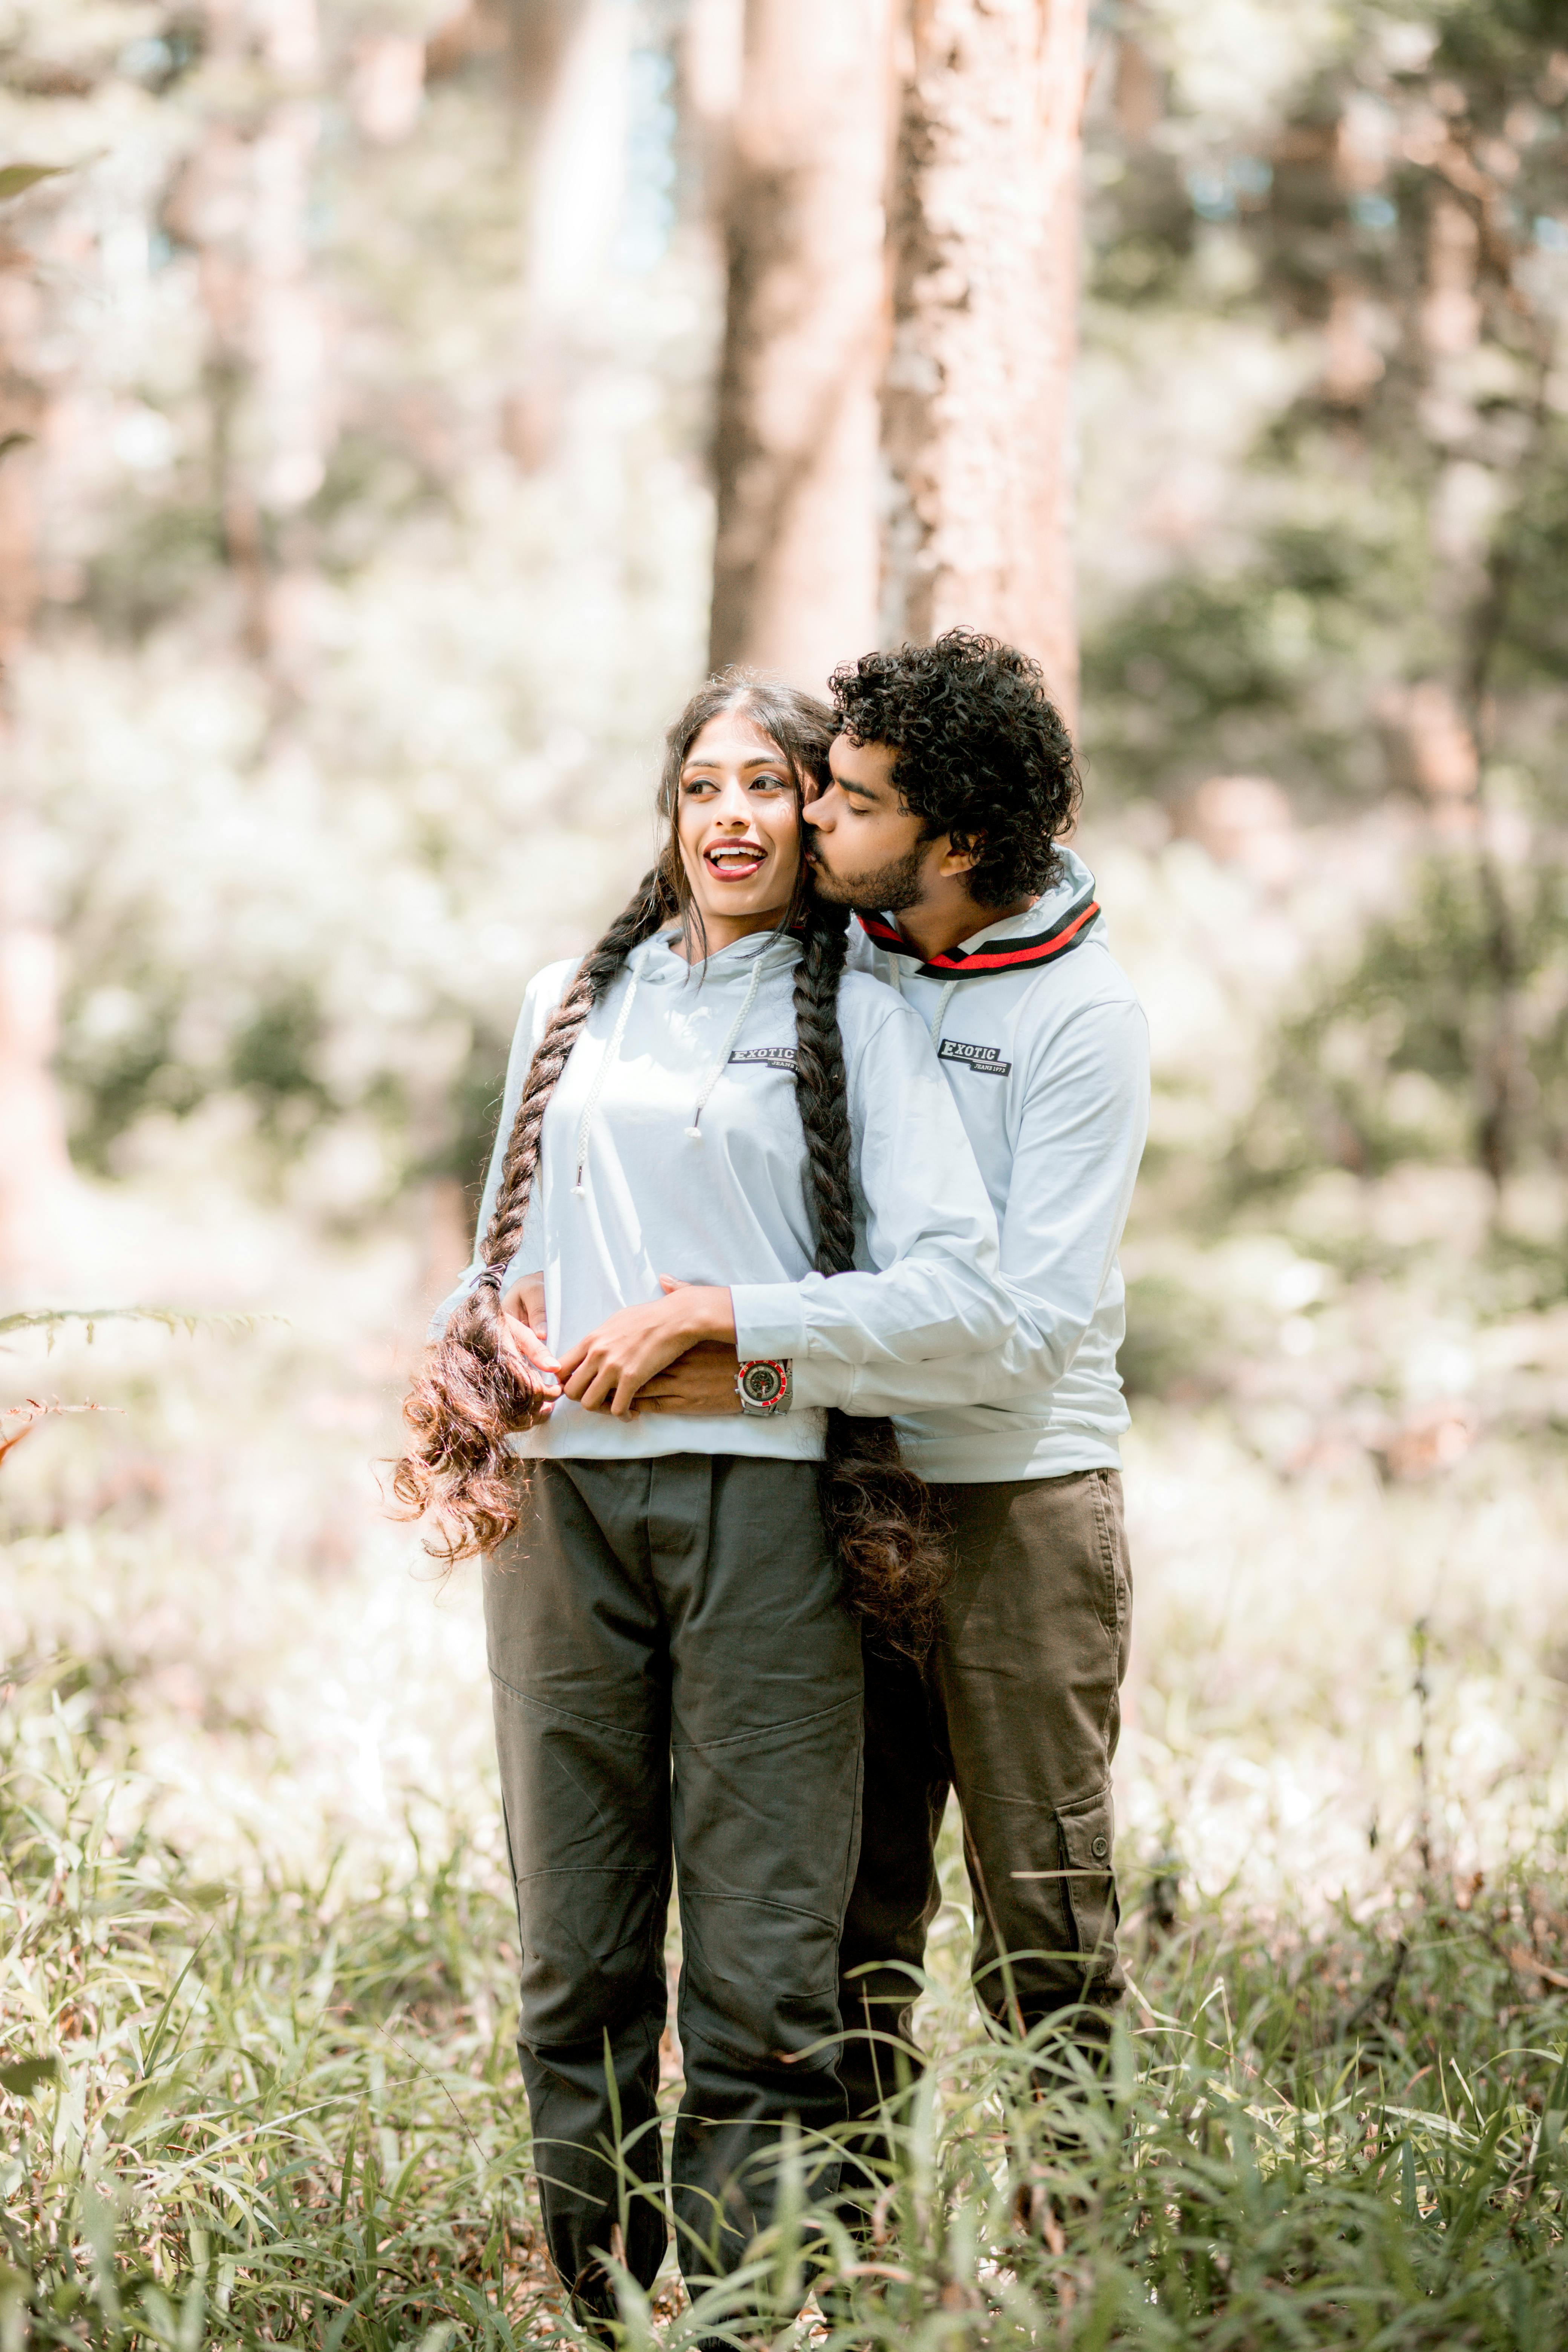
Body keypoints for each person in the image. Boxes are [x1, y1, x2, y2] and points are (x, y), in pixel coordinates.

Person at [392, 674, 1012, 2331]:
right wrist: (486, 1326)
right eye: (702, 786)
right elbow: (500, 1247)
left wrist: (728, 1327)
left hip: (768, 1510)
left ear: (813, 816)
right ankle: (602, 2299)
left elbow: (953, 1284)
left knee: (755, 1955)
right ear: (669, 812)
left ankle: (739, 2311)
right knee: (574, 1945)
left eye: (768, 785)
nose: (730, 815)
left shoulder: (866, 1012)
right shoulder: (571, 999)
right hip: (557, 1513)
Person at [635, 629, 1150, 2123]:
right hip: (829, 1488)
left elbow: (1021, 1330)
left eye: (851, 801)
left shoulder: (1078, 1020)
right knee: (853, 1925)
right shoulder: (840, 952)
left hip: (1016, 1502)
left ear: (962, 839)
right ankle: (855, 2280)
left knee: (1043, 1922)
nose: (809, 818)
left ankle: (1079, 2270)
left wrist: (747, 1322)